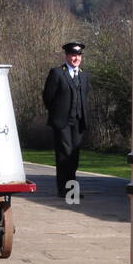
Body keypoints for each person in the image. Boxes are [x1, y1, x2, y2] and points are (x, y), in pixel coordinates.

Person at [42, 41, 90, 198]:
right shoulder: (57, 73)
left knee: (74, 156)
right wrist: (57, 114)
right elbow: (48, 97)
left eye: (78, 55)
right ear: (67, 56)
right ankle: (65, 190)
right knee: (64, 154)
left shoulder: (83, 75)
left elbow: (84, 96)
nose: (75, 58)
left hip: (78, 122)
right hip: (62, 122)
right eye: (72, 55)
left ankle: (72, 188)